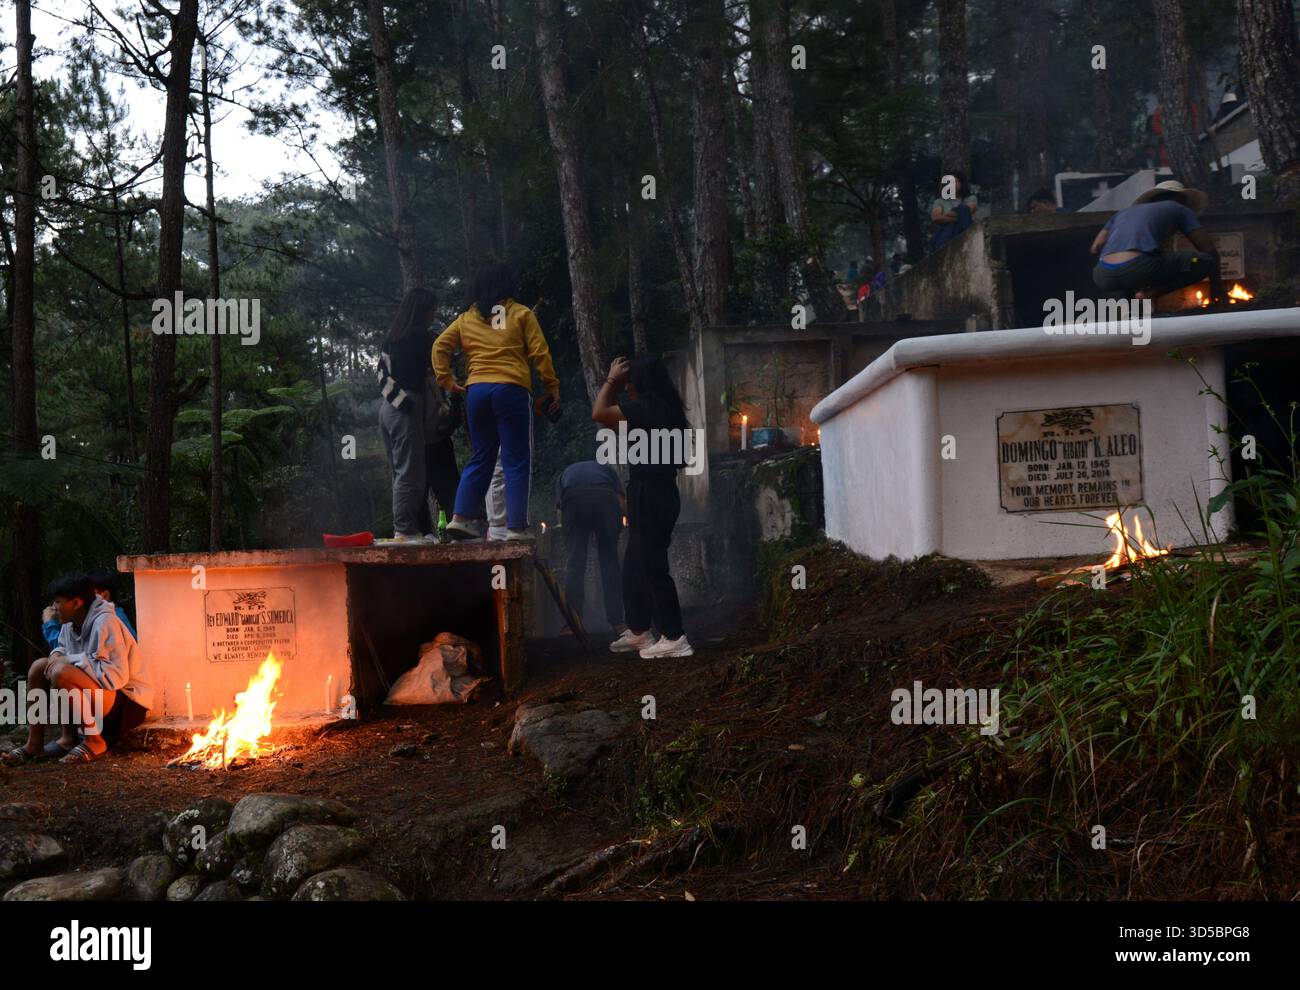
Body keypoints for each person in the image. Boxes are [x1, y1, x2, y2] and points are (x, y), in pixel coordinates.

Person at [434, 262, 560, 541]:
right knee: (516, 459)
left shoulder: (466, 318)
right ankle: (516, 527)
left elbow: (440, 346)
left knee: (481, 456)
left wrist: (446, 379)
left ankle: (460, 518)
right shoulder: (521, 313)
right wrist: (552, 387)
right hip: (511, 389)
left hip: (476, 391)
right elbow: (541, 353)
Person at [592, 355, 694, 659]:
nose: (625, 387)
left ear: (638, 383)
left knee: (651, 565)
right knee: (635, 561)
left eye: (628, 382)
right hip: (656, 491)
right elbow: (612, 427)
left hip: (650, 492)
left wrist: (610, 380)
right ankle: (639, 630)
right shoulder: (661, 409)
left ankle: (674, 637)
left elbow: (599, 414)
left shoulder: (647, 408)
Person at [4, 573, 154, 765]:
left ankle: (95, 741)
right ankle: (34, 744)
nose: (53, 608)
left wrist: (69, 661)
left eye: (57, 602)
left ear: (76, 603)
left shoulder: (105, 622)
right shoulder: (69, 624)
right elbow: (63, 649)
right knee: (38, 667)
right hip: (100, 696)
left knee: (61, 672)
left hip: (126, 703)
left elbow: (115, 678)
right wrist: (57, 655)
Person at [1090, 180, 1223, 303]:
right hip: (1139, 269)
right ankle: (1152, 293)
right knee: (1204, 261)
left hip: (1103, 275)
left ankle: (1133, 310)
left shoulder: (1122, 213)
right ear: (1180, 199)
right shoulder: (1178, 208)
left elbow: (1096, 247)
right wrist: (1217, 289)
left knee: (1147, 266)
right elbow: (1208, 249)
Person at [378, 286, 440, 541]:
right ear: (422, 312)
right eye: (431, 311)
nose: (433, 315)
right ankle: (404, 531)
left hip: (387, 407)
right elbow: (441, 363)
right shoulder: (420, 338)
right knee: (409, 473)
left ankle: (413, 528)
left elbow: (381, 374)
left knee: (400, 472)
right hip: (405, 407)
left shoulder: (392, 337)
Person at [556, 458, 626, 635]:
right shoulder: (606, 470)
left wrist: (569, 535)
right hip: (605, 499)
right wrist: (624, 521)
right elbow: (621, 499)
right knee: (610, 562)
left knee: (575, 563)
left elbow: (560, 507)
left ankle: (572, 625)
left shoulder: (565, 472)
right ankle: (617, 623)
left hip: (573, 500)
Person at [418, 342, 464, 536]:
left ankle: (456, 529)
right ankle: (424, 532)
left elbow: (452, 417)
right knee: (419, 490)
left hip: (438, 440)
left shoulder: (442, 373)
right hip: (424, 441)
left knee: (449, 490)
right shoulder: (420, 374)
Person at [41, 566, 136, 652]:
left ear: (105, 595)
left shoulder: (109, 621)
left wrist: (49, 625)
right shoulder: (75, 621)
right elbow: (66, 649)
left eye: (91, 593)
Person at [930, 170, 978, 252]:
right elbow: (936, 217)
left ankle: (966, 240)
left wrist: (947, 214)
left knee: (963, 208)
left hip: (961, 230)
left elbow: (969, 210)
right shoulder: (940, 201)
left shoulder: (970, 198)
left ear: (962, 184)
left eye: (956, 182)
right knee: (957, 217)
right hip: (946, 233)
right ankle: (967, 240)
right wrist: (957, 218)